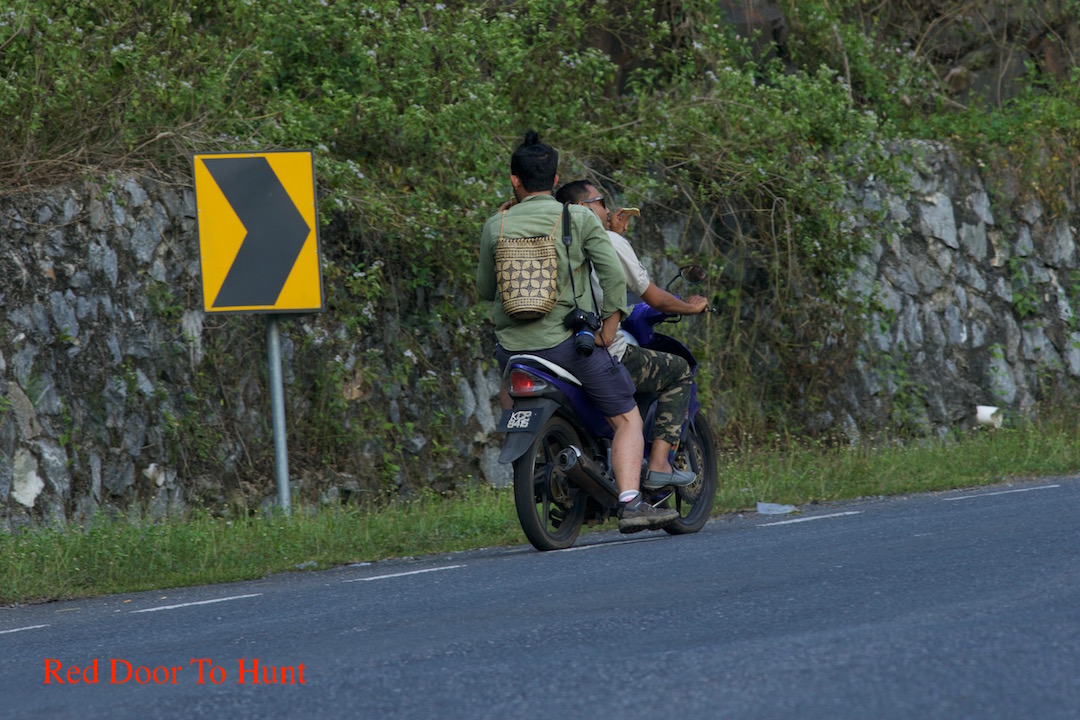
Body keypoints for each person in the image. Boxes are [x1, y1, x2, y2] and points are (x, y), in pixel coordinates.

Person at [477, 131, 678, 533]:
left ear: (514, 180)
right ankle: (630, 501)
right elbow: (612, 278)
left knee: (509, 402)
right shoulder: (579, 218)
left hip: (513, 352)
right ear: (554, 180)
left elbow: (485, 289)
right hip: (566, 347)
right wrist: (609, 328)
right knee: (627, 420)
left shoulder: (495, 224)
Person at [554, 180, 709, 489]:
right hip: (599, 349)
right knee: (679, 371)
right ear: (583, 208)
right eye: (602, 203)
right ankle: (658, 465)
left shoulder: (553, 239)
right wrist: (691, 307)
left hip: (555, 347)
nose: (608, 210)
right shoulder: (608, 240)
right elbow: (654, 298)